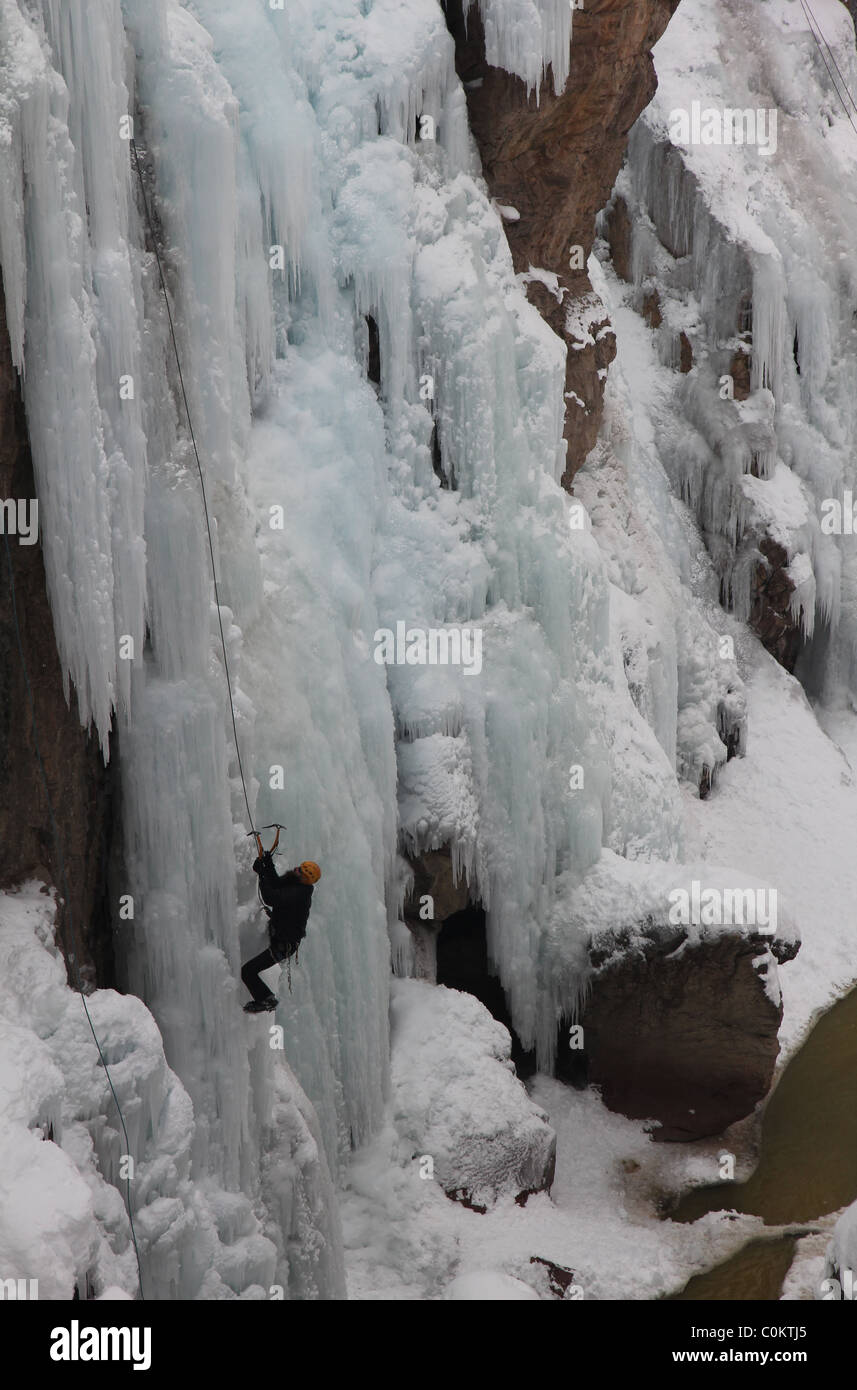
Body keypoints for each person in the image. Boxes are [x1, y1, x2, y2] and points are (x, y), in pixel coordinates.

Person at [241, 840, 321, 1013]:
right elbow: (277, 884)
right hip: (283, 941)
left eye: (301, 871)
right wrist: (267, 864)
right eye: (300, 868)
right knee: (248, 971)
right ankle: (266, 999)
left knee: (248, 971)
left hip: (282, 945)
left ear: (305, 878)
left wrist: (262, 874)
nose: (297, 870)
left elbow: (272, 897)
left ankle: (266, 999)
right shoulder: (296, 885)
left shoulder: (300, 893)